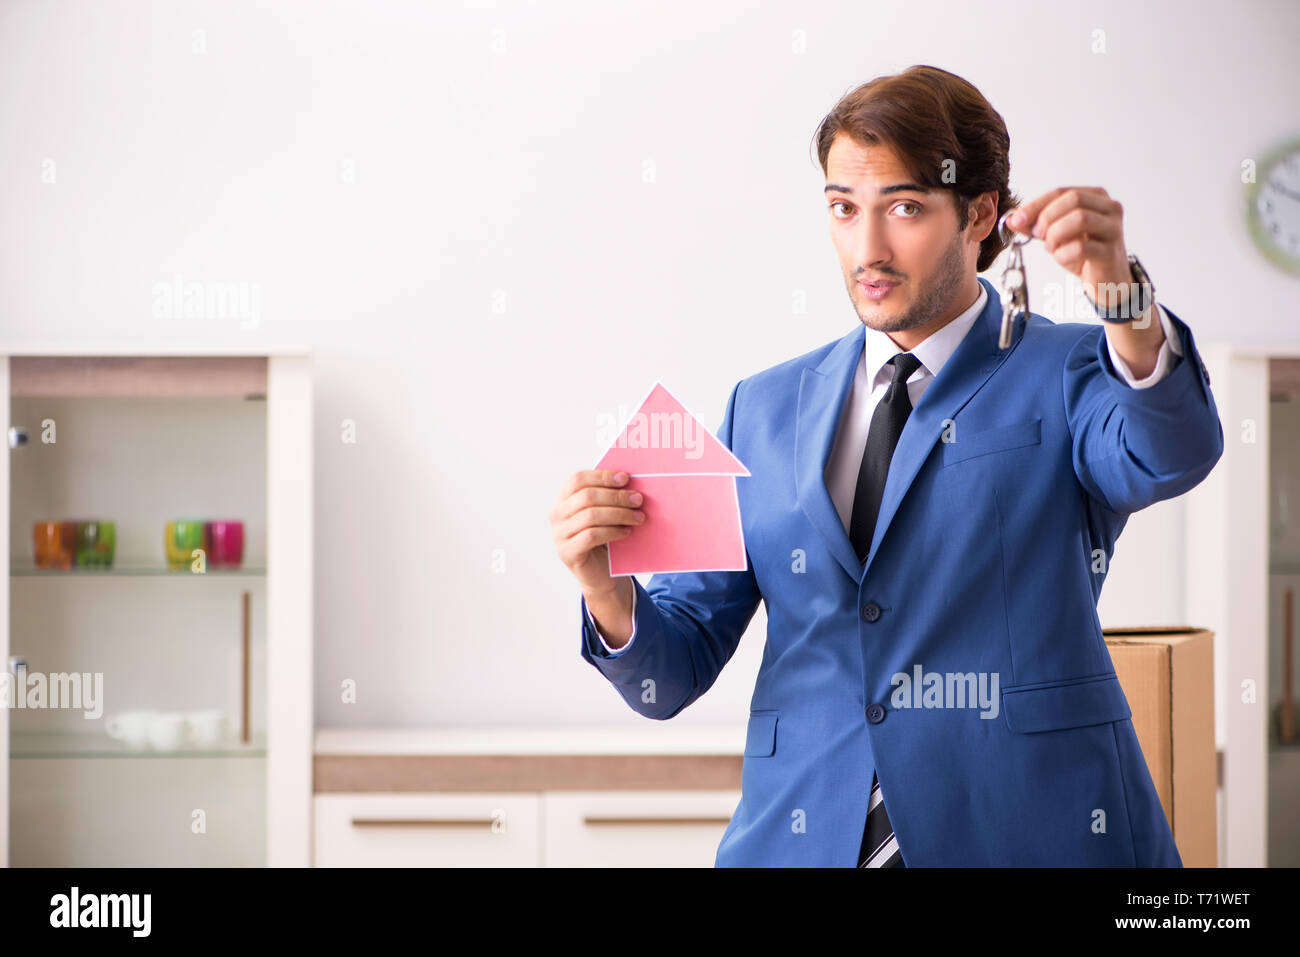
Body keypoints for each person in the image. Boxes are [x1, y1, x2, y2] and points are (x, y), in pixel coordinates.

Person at [548, 64, 1223, 867]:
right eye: (843, 209)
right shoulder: (760, 408)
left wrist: (1125, 302)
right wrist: (604, 586)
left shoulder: (1074, 369)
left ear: (979, 215)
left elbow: (1172, 450)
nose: (868, 248)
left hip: (1031, 832)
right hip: (801, 838)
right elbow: (673, 674)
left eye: (903, 207)